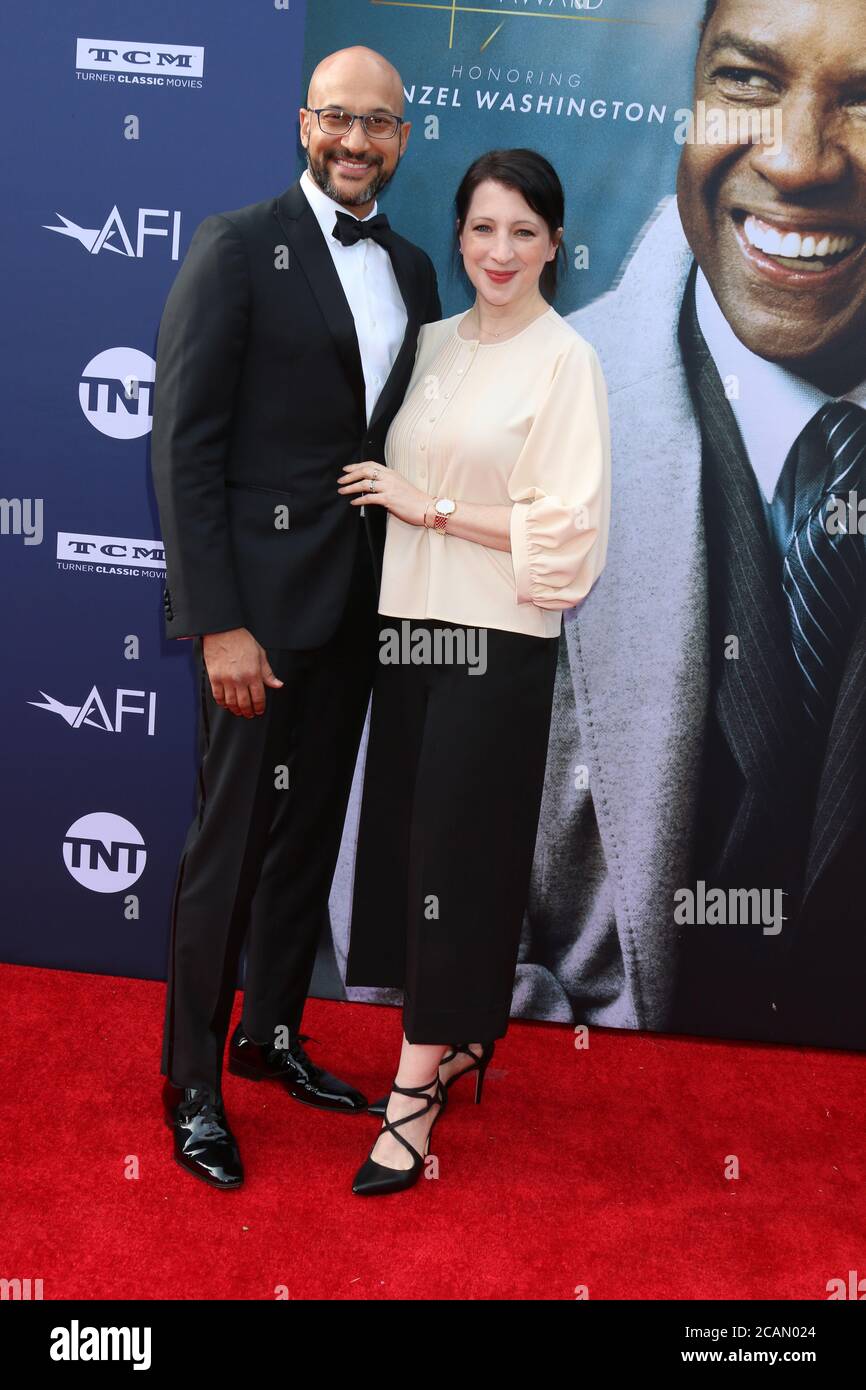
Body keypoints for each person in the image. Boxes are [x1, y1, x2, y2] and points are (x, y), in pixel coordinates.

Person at [525, 0, 866, 1050]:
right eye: (748, 81)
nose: (797, 159)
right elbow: (410, 910)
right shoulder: (504, 426)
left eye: (865, 103)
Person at [150, 45, 441, 1189]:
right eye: (337, 119)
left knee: (308, 834)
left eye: (378, 123)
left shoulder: (412, 267)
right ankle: (190, 1083)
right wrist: (215, 622)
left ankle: (267, 1036)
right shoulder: (236, 245)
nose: (356, 141)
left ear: (402, 138)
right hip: (257, 622)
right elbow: (185, 445)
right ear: (303, 124)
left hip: (360, 608)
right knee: (227, 847)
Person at [339, 148, 611, 1195]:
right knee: (412, 853)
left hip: (495, 643)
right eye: (483, 228)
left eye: (523, 232)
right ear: (457, 236)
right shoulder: (430, 343)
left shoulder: (566, 360)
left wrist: (431, 507)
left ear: (553, 245)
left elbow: (569, 533)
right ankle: (457, 1038)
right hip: (405, 632)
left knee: (456, 856)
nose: (501, 251)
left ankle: (413, 1094)